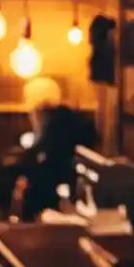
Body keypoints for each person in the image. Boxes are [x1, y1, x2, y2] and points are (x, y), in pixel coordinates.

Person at [13, 77, 97, 220]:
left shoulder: (53, 120)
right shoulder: (63, 116)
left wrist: (19, 163)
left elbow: (40, 152)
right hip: (63, 176)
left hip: (57, 180)